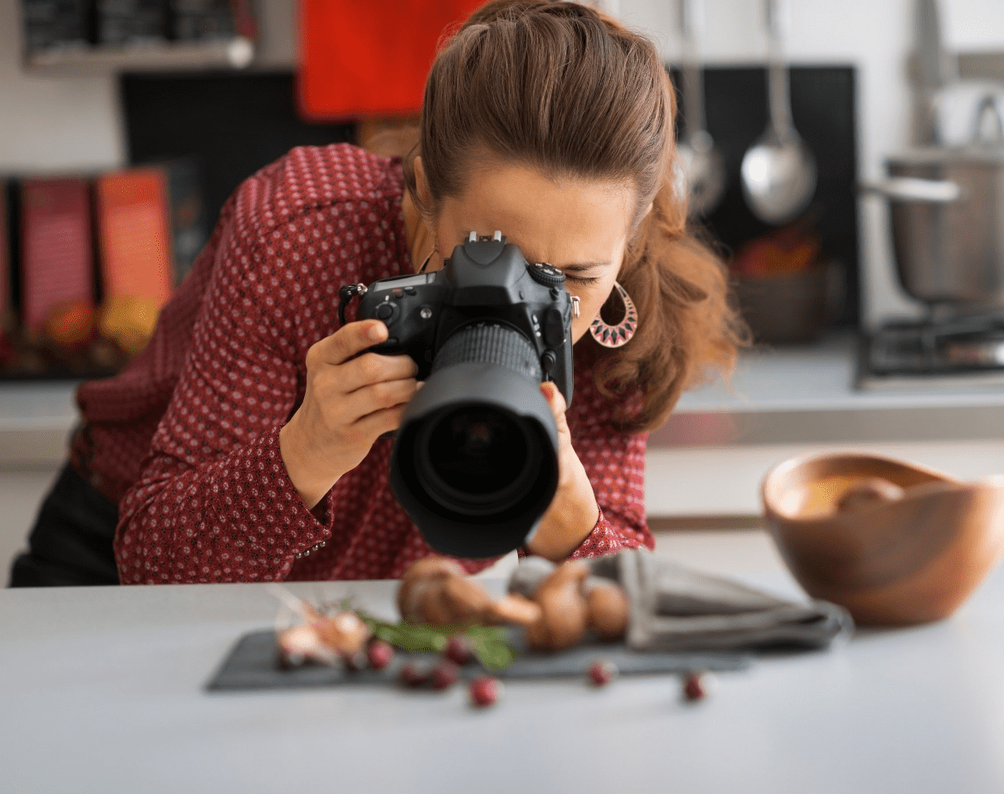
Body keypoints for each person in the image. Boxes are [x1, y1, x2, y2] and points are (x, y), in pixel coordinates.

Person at [8, 0, 745, 587]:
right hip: (109, 561)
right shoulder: (298, 235)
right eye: (489, 256)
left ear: (633, 234)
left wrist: (580, 536)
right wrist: (302, 451)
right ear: (422, 188)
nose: (526, 303)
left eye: (576, 276)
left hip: (381, 614)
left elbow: (625, 608)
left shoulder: (620, 323)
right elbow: (153, 566)